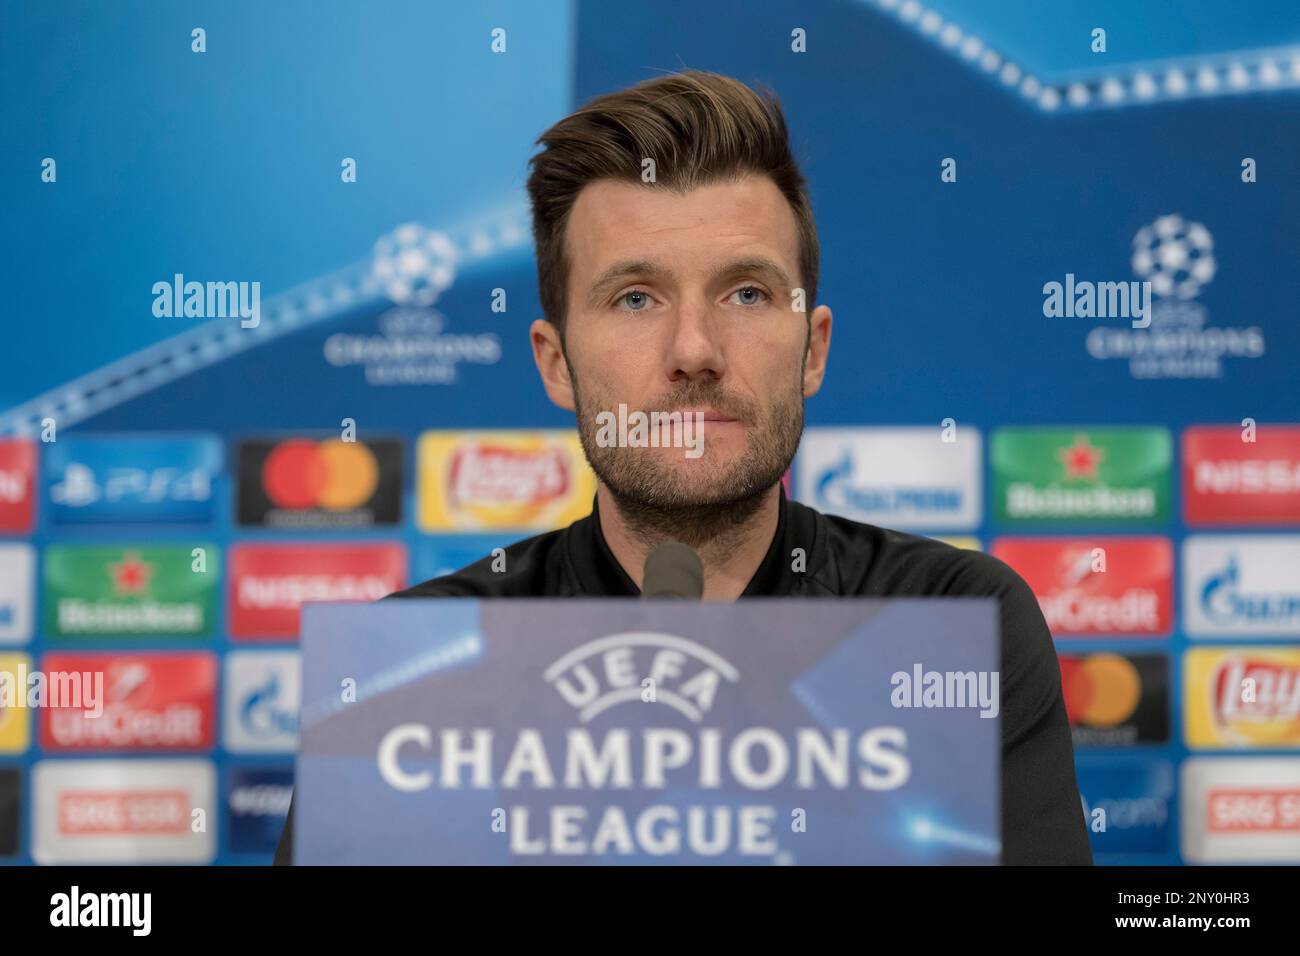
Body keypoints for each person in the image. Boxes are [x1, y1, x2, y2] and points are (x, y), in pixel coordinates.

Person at [275, 69, 1092, 866]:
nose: (694, 352)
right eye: (635, 298)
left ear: (814, 349)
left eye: (745, 294)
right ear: (556, 364)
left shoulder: (952, 629)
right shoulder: (412, 666)